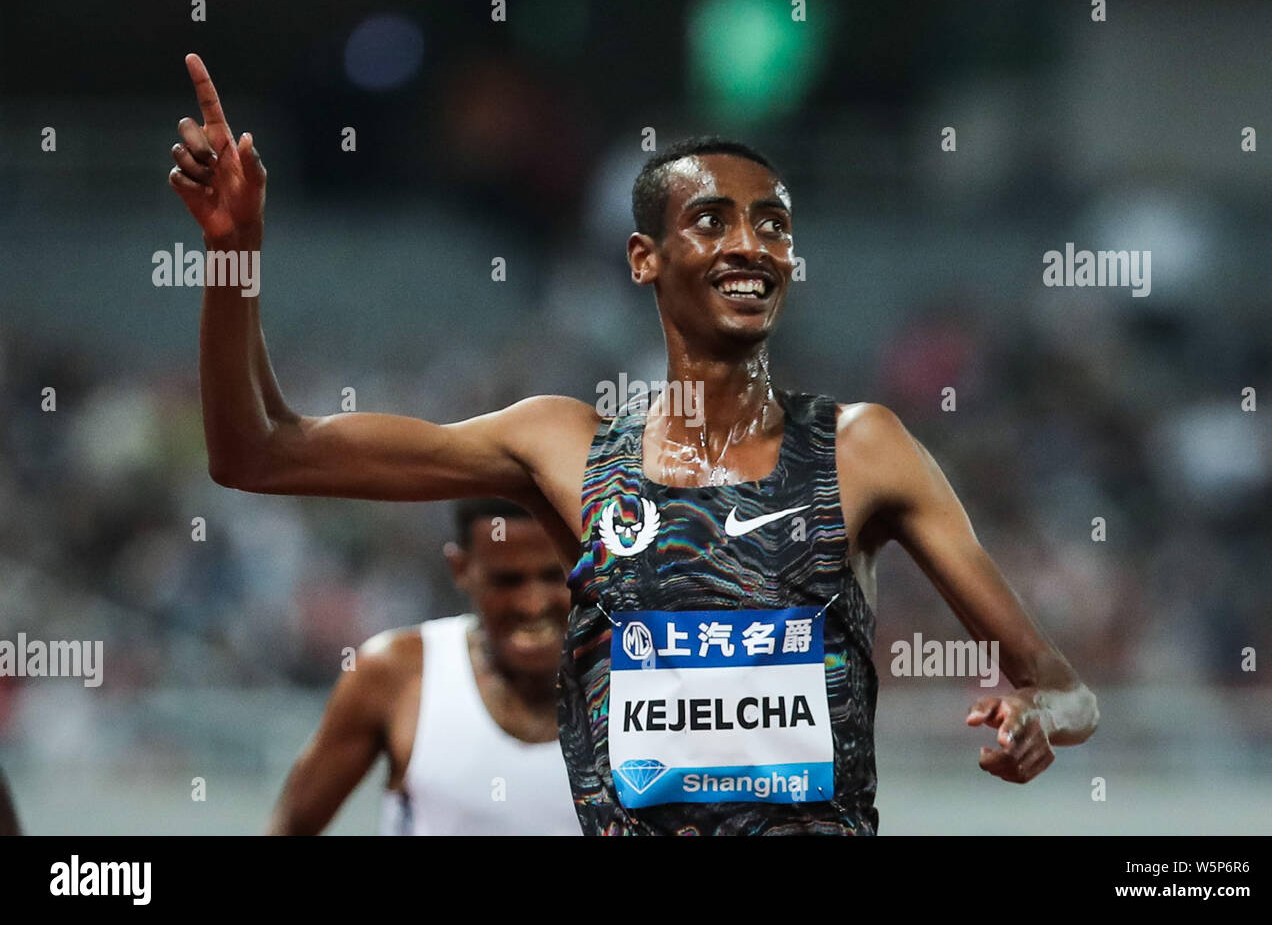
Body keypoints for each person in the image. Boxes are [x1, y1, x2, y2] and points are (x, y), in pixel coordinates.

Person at [170, 53, 1099, 836]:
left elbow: (1066, 690)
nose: (752, 245)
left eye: (772, 224)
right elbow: (258, 452)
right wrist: (234, 250)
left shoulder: (863, 449)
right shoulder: (560, 448)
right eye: (713, 221)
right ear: (643, 259)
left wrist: (1036, 718)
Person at [268, 498, 579, 835]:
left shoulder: (632, 672)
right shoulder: (395, 674)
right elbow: (289, 828)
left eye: (554, 577)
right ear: (460, 568)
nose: (531, 605)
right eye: (507, 580)